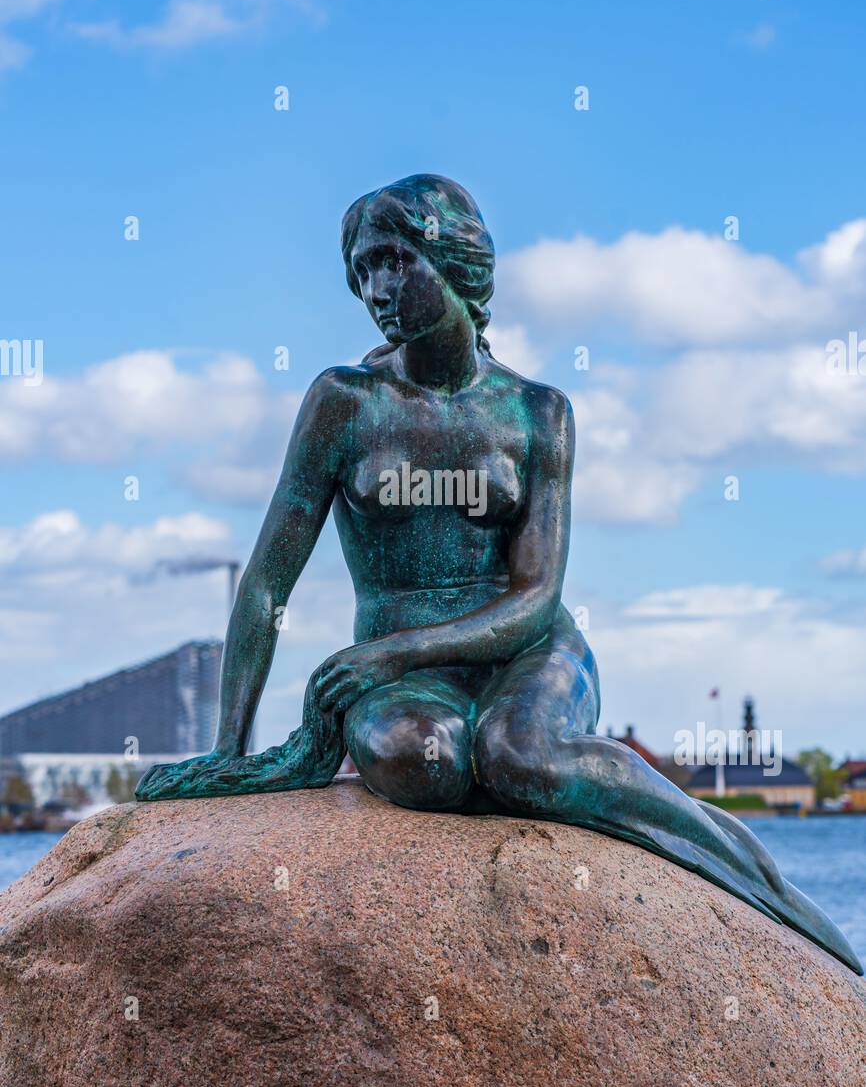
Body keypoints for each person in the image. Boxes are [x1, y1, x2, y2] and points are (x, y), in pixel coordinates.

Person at [136, 173, 862, 975]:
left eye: (394, 261)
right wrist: (230, 752)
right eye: (363, 270)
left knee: (521, 752)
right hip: (406, 676)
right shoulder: (343, 402)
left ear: (454, 262)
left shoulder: (535, 412)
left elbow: (537, 595)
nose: (376, 289)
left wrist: (386, 656)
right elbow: (269, 583)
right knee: (424, 761)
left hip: (529, 649)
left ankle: (757, 877)